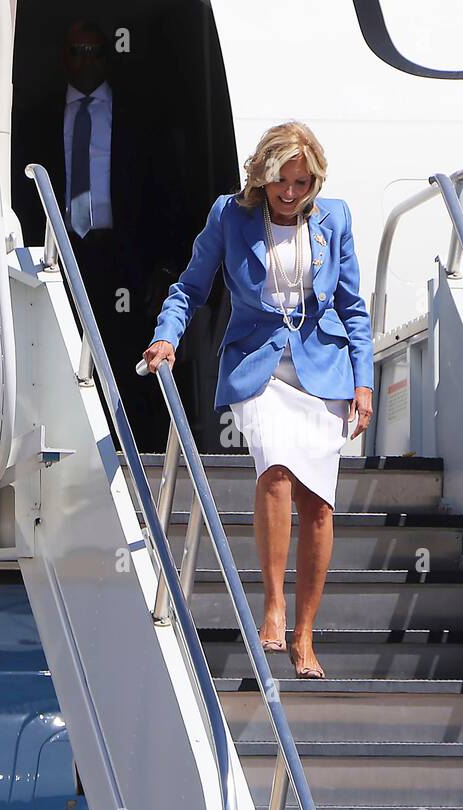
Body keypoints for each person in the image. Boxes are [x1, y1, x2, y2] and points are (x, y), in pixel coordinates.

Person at [143, 122, 374, 678]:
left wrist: (363, 383)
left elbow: (352, 307)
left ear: (315, 182)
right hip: (258, 364)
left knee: (318, 504)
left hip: (323, 368)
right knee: (275, 469)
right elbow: (190, 287)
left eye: (301, 183)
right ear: (261, 177)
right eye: (280, 182)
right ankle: (272, 605)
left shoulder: (335, 218)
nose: (290, 193)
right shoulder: (230, 215)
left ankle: (305, 634)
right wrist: (166, 336)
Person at [24, 19, 178, 449]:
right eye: (78, 51)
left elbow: (165, 190)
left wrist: (164, 264)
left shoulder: (138, 116)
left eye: (95, 52)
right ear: (64, 58)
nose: (86, 61)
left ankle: (134, 448)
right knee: (59, 348)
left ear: (108, 58)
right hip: (61, 252)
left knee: (126, 355)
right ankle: (68, 446)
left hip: (123, 257)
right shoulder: (39, 116)